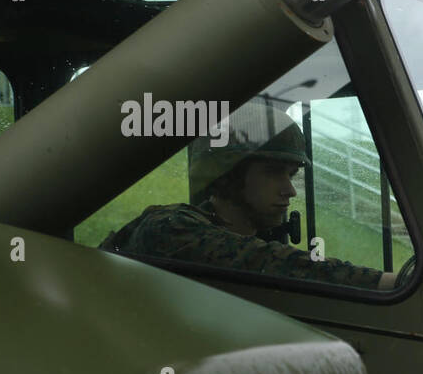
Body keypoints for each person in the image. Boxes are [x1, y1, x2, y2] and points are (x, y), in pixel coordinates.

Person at [100, 101, 398, 290]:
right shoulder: (170, 228)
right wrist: (386, 283)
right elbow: (273, 263)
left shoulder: (236, 236)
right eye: (272, 172)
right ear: (228, 175)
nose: (290, 190)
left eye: (291, 175)